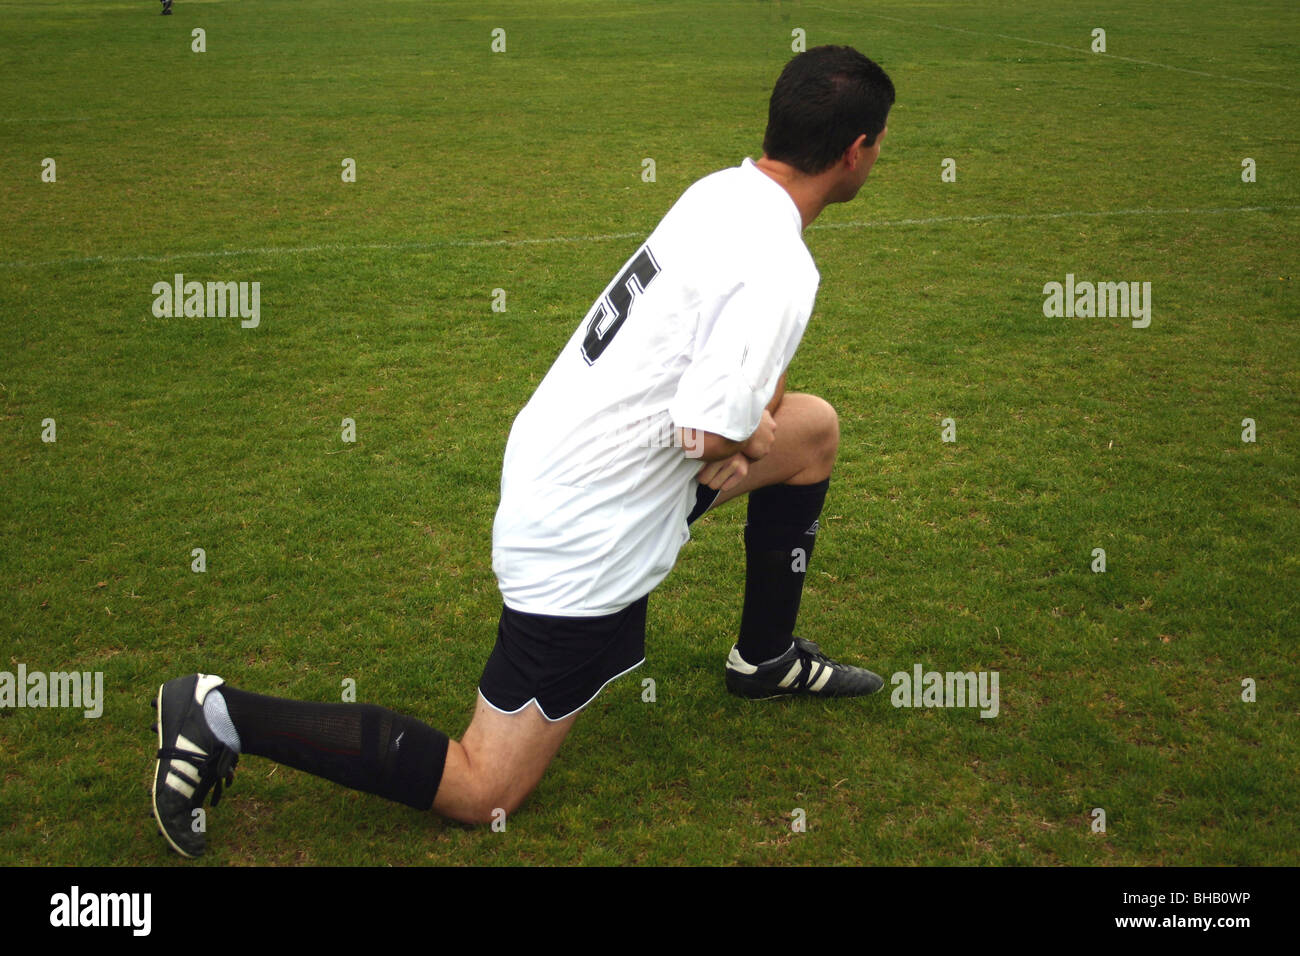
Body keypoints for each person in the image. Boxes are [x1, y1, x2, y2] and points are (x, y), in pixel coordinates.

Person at [150, 44, 895, 856]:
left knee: (811, 431)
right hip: (586, 526)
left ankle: (766, 657)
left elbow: (739, 389)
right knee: (486, 788)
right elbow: (705, 432)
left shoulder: (725, 191)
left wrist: (751, 428)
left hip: (568, 456)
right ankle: (217, 714)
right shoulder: (783, 263)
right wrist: (743, 435)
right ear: (857, 150)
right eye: (881, 141)